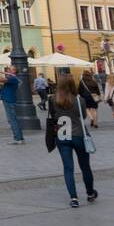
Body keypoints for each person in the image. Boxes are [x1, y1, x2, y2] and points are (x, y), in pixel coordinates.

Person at [46, 74, 98, 208]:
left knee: (68, 168)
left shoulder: (52, 99)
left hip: (62, 136)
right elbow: (84, 116)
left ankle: (74, 198)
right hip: (78, 135)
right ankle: (90, 193)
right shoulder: (79, 100)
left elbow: (52, 116)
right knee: (85, 166)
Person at [0, 66, 25, 144]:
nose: (7, 70)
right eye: (7, 69)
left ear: (14, 71)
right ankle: (19, 138)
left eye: (9, 69)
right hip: (8, 100)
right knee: (12, 119)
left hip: (9, 100)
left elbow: (1, 79)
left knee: (12, 119)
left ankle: (18, 139)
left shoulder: (13, 78)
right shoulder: (11, 78)